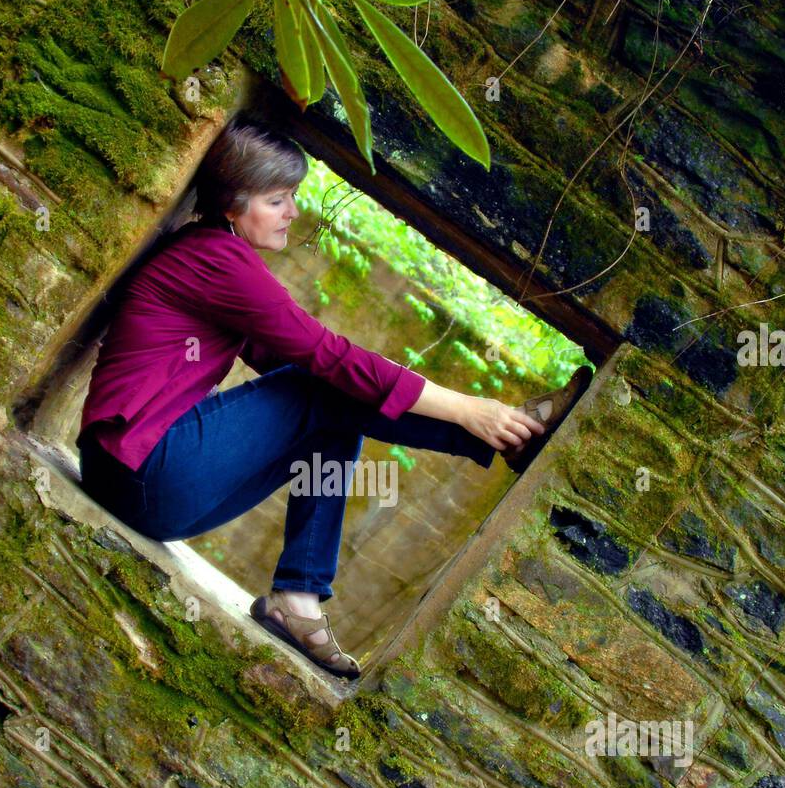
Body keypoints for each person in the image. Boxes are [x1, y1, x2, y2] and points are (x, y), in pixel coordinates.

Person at [76, 113, 591, 680]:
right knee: (320, 387)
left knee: (330, 404)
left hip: (146, 488)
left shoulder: (216, 256)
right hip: (139, 472)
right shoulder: (216, 258)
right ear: (233, 203)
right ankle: (507, 432)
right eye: (277, 199)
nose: (293, 212)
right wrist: (471, 409)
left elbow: (306, 363)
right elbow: (324, 354)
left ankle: (297, 598)